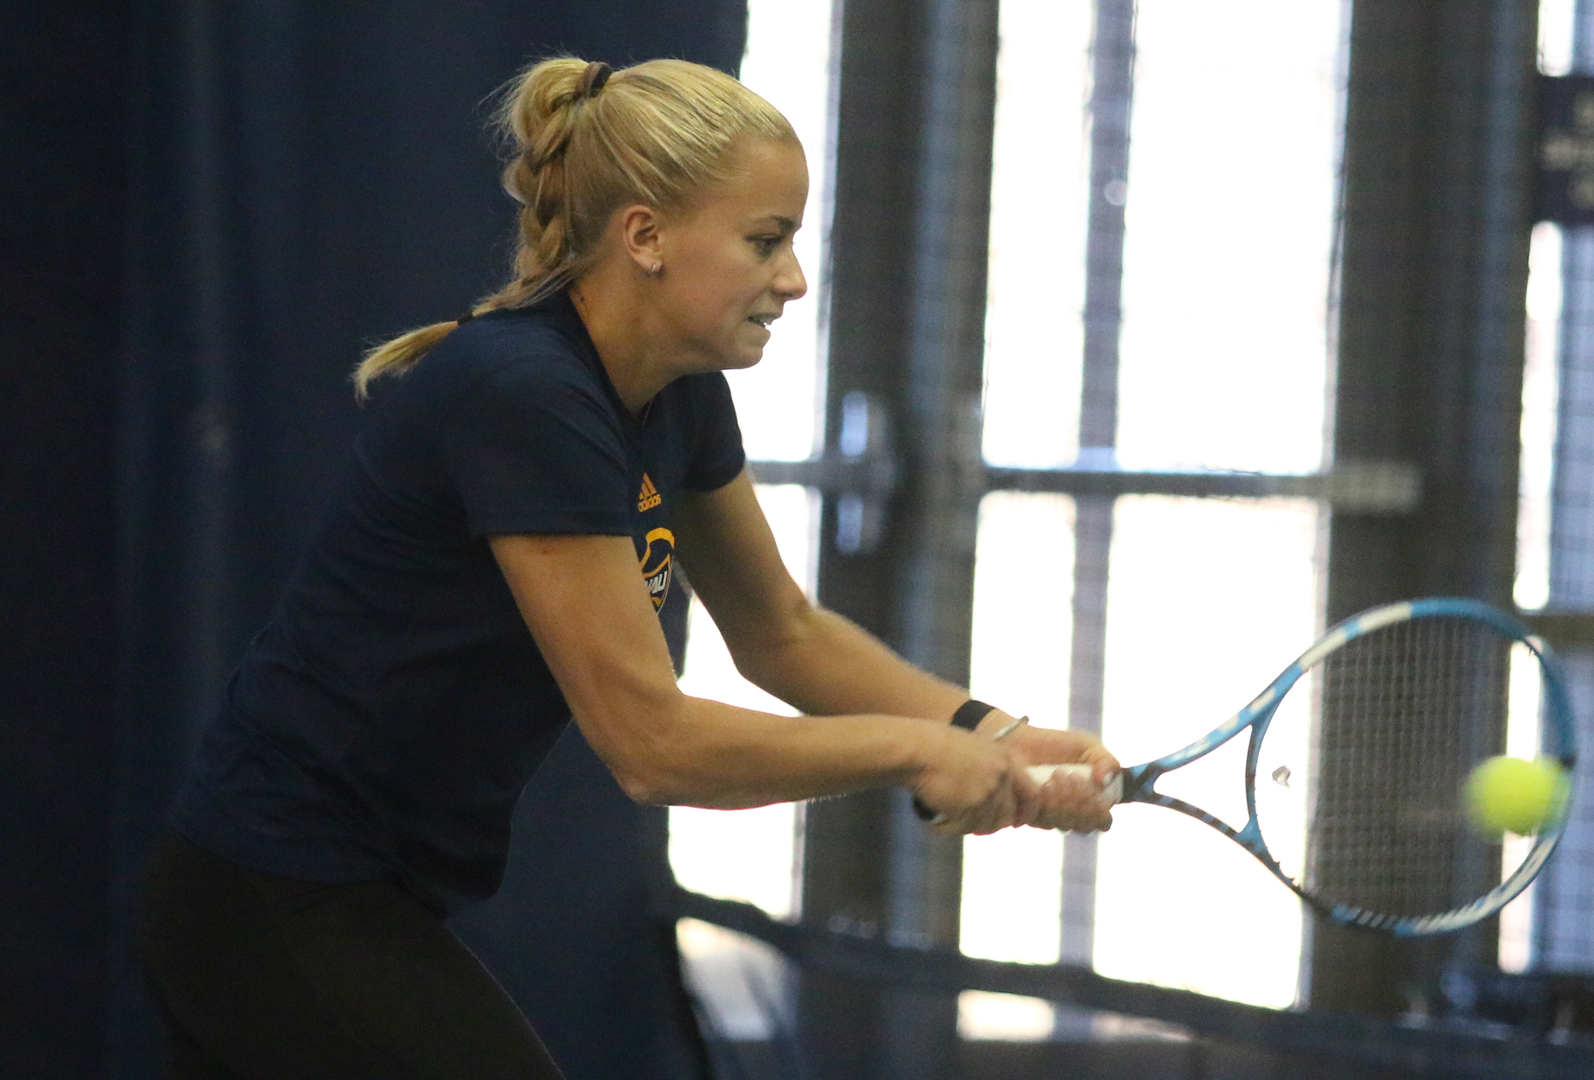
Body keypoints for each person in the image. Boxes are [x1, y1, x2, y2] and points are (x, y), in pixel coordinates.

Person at [139, 56, 1120, 1079]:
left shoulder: (677, 389)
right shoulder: (524, 396)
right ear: (645, 235)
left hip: (361, 896)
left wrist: (996, 735)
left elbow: (782, 631)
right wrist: (912, 754)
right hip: (269, 900)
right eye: (765, 241)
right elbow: (653, 745)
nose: (792, 279)